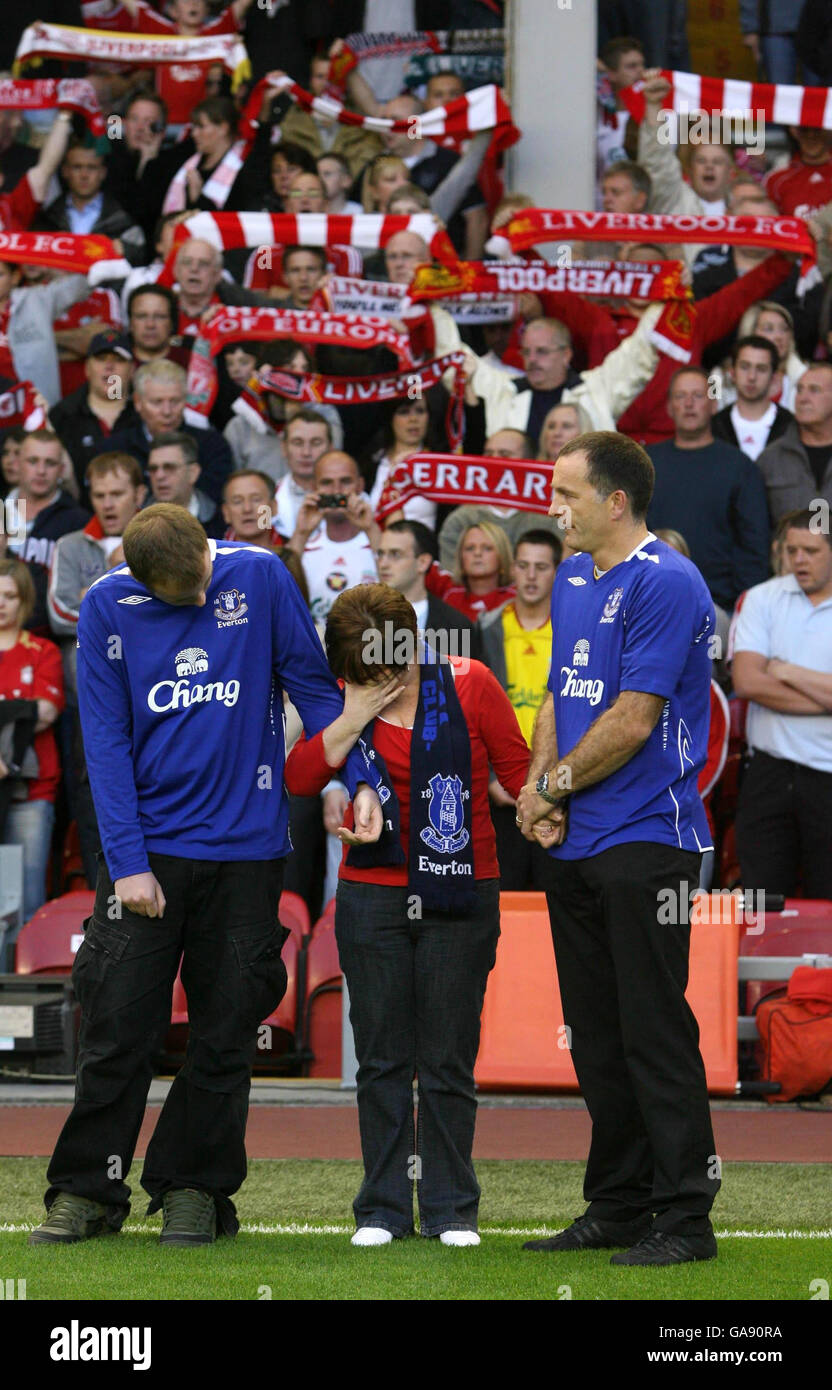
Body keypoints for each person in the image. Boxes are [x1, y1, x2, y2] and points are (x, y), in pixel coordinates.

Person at [30, 502, 378, 1247]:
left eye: (202, 584)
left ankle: (195, 1188)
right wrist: (126, 865)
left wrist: (350, 779)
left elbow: (314, 690)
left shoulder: (254, 574)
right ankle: (88, 1189)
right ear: (143, 580)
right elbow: (105, 742)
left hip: (249, 852)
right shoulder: (105, 607)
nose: (198, 598)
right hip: (148, 857)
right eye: (180, 595)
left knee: (225, 1035)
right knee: (118, 1028)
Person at [516, 430, 720, 1266]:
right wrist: (540, 789)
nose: (551, 507)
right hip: (579, 840)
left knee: (654, 1030)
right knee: (596, 1035)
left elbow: (634, 720)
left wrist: (555, 787)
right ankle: (618, 1204)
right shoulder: (570, 575)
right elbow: (562, 694)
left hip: (649, 837)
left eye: (565, 493)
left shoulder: (669, 583)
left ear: (615, 502)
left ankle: (687, 1217)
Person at [284, 582, 530, 1246]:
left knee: (448, 1057)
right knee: (384, 1058)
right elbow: (300, 777)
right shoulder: (345, 694)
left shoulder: (471, 682)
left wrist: (553, 801)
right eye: (364, 672)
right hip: (372, 893)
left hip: (462, 888)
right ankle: (383, 1209)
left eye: (387, 668)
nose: (380, 681)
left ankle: (451, 1207)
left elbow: (517, 774)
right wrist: (353, 712)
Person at [732, 508, 832, 897]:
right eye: (791, 550)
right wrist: (825, 699)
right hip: (768, 775)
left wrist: (788, 671)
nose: (799, 560)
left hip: (827, 776)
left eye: (810, 550)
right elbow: (747, 681)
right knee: (763, 898)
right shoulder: (762, 599)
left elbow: (767, 678)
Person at [647, 367, 770, 611]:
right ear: (670, 408)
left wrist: (743, 606)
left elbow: (754, 544)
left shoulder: (739, 467)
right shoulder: (645, 463)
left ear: (714, 405)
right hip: (648, 598)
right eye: (680, 396)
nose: (689, 404)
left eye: (698, 396)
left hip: (715, 603)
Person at [478, 530, 561, 890]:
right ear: (511, 570)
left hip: (556, 791)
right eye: (523, 566)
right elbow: (469, 711)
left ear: (557, 571)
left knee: (553, 901)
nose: (530, 576)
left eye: (541, 567)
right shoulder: (486, 628)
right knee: (503, 901)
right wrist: (490, 779)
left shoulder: (572, 630)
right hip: (499, 793)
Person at [0, 558, 64, 930]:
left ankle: (25, 981)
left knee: (26, 890)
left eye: (10, 595)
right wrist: (16, 710)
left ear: (24, 600)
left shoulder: (43, 651)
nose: (2, 603)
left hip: (33, 789)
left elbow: (45, 712)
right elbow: (28, 710)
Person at [107, 359, 233, 505]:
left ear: (186, 400)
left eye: (175, 401)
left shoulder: (212, 446)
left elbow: (216, 502)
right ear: (137, 402)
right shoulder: (115, 450)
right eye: (157, 402)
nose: (167, 411)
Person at [3, 430, 90, 634]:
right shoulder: (1, 509)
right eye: (33, 461)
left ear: (61, 469)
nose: (41, 471)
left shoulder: (78, 520)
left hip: (51, 639)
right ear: (17, 463)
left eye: (50, 463)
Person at [286, 450, 380, 621]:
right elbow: (278, 589)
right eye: (327, 483)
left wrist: (371, 528)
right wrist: (301, 533)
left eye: (345, 481)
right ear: (314, 488)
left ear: (360, 485)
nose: (336, 491)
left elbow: (400, 589)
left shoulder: (378, 540)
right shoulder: (302, 544)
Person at [48, 330, 136, 500]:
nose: (109, 366)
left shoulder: (147, 413)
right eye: (101, 359)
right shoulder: (62, 416)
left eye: (118, 360)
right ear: (87, 368)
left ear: (132, 370)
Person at [376, 519, 479, 663]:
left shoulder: (455, 625)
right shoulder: (361, 617)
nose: (383, 564)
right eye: (380, 554)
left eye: (395, 554)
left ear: (423, 562)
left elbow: (463, 682)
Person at [37, 142, 146, 267]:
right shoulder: (47, 219)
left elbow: (139, 257)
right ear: (65, 171)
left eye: (92, 167)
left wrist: (123, 252)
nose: (84, 175)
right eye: (77, 167)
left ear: (103, 173)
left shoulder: (123, 220)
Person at [755, 363, 832, 524]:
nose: (802, 398)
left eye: (814, 390)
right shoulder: (770, 459)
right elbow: (757, 528)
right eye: (799, 390)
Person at [711, 336, 794, 461]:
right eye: (744, 367)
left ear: (774, 378)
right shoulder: (713, 426)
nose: (751, 377)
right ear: (732, 373)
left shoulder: (792, 427)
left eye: (761, 369)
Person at [367, 398, 437, 530]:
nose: (413, 419)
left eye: (420, 411)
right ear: (390, 417)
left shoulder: (440, 462)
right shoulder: (371, 462)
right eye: (404, 412)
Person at [427, 520, 515, 621]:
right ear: (461, 558)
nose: (477, 553)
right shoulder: (447, 590)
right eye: (470, 548)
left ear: (502, 556)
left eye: (487, 548)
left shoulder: (517, 598)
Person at [273, 408, 336, 535]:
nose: (306, 452)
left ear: (330, 448)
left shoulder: (354, 498)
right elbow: (260, 543)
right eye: (298, 443)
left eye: (316, 443)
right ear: (284, 448)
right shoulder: (265, 500)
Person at [146, 432, 221, 536]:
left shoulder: (220, 521)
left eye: (169, 467)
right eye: (153, 469)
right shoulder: (135, 522)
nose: (159, 476)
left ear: (193, 473)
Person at [221, 469, 284, 550]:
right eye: (237, 502)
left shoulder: (294, 550)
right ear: (226, 512)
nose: (247, 509)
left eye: (256, 499)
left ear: (273, 507)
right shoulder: (211, 558)